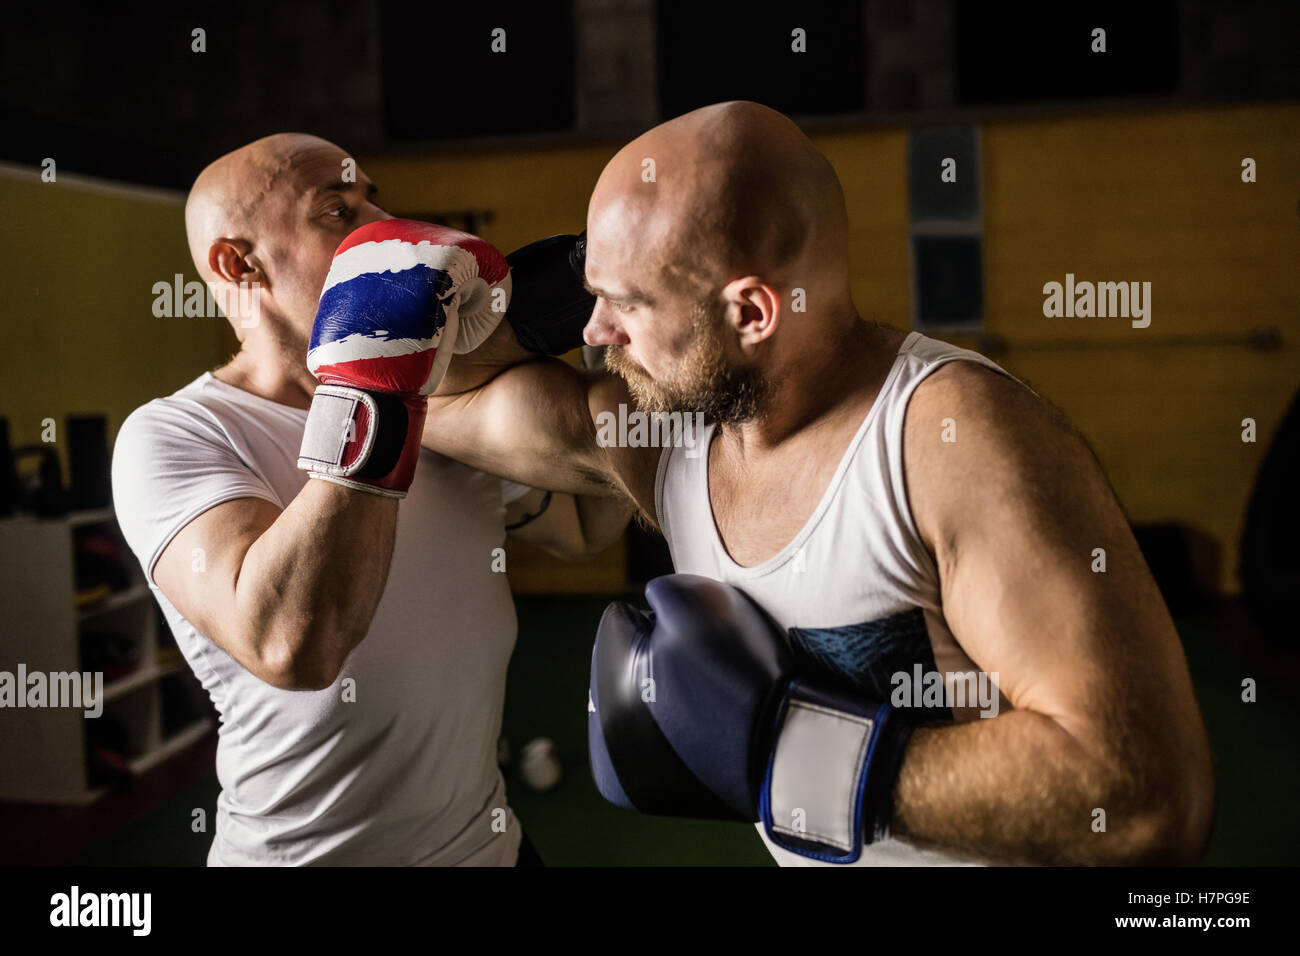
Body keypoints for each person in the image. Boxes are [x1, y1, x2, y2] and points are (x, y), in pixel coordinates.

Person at [423, 102, 1216, 865]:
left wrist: (787, 754)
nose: (595, 336)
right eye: (593, 300)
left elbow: (1144, 798)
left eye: (624, 305)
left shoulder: (944, 441)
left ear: (752, 313)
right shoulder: (663, 437)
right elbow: (434, 388)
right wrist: (599, 267)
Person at [111, 133, 629, 866]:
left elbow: (583, 524)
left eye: (373, 198)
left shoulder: (434, 396)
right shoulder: (177, 436)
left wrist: (617, 320)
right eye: (337, 209)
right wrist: (377, 389)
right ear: (239, 263)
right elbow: (295, 644)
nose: (382, 223)